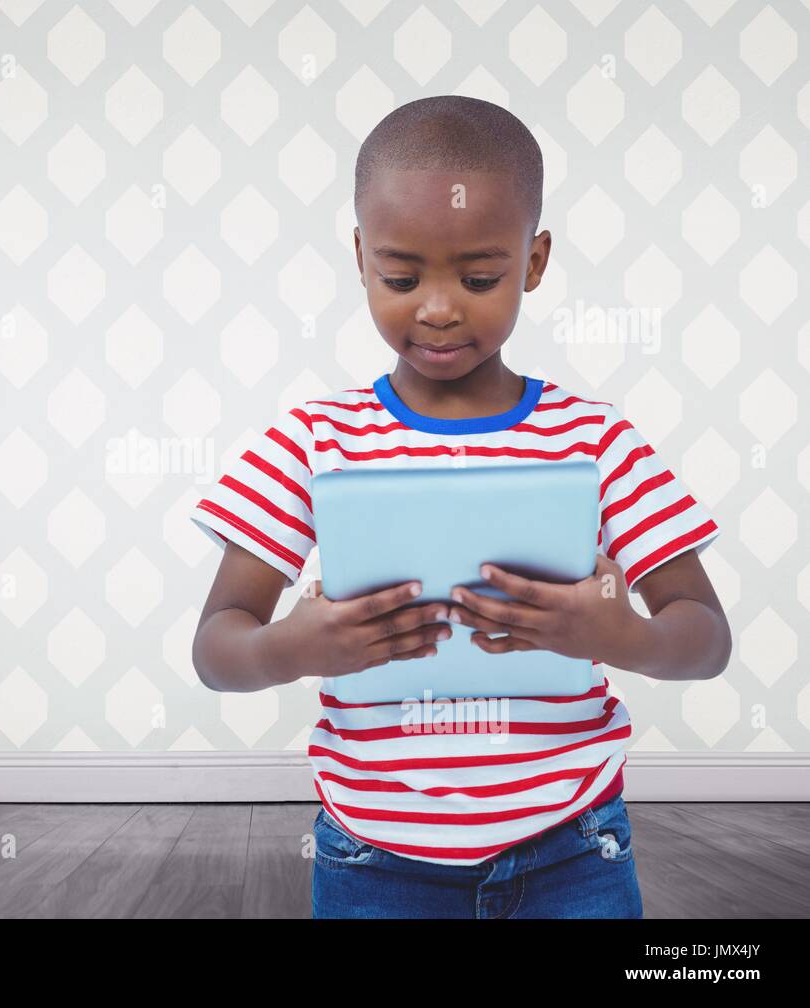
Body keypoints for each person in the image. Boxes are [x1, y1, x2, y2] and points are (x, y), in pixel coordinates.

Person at [188, 95, 730, 919]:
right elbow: (216, 647)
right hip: (372, 857)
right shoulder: (311, 439)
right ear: (361, 257)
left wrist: (620, 634)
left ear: (535, 261)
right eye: (400, 278)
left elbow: (705, 639)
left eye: (480, 278)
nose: (438, 308)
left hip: (574, 847)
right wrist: (294, 647)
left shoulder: (598, 440)